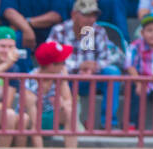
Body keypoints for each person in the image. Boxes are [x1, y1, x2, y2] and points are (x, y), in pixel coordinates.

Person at [48, 0, 122, 129]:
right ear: (73, 15)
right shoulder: (59, 30)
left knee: (112, 72)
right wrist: (79, 66)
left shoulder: (98, 31)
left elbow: (107, 57)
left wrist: (94, 67)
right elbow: (50, 59)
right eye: (86, 15)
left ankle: (109, 123)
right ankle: (61, 121)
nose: (91, 19)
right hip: (67, 80)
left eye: (93, 15)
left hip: (90, 78)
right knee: (57, 74)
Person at [25, 39, 78, 146]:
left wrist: (63, 102)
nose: (64, 65)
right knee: (33, 122)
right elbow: (35, 125)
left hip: (51, 116)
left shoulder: (59, 76)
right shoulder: (30, 82)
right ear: (50, 66)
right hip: (30, 120)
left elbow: (69, 103)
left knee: (69, 111)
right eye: (62, 62)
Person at [0, 0, 71, 49]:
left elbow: (56, 16)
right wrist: (26, 29)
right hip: (19, 42)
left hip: (48, 41)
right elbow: (8, 11)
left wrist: (26, 25)